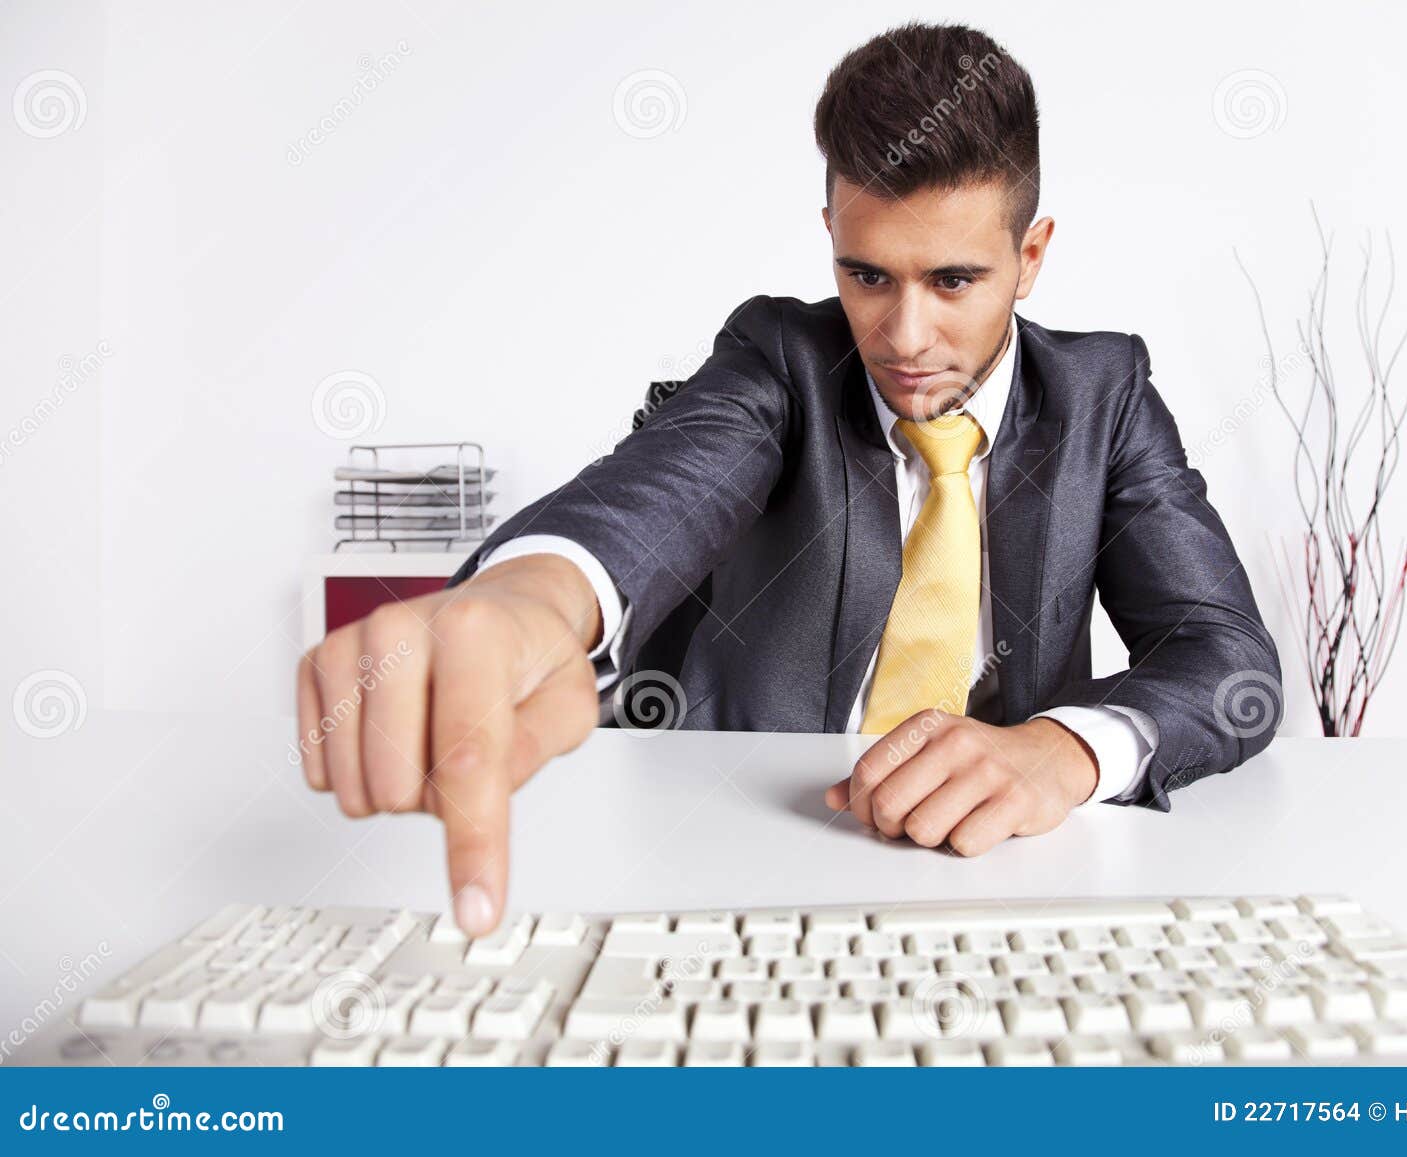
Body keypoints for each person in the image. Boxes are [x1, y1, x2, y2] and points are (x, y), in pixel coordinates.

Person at [296, 22, 1282, 936]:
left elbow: (1223, 653)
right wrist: (529, 601)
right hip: (729, 873)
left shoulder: (1102, 394)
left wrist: (1064, 749)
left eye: (951, 281)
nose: (903, 338)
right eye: (866, 275)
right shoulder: (780, 359)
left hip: (1001, 886)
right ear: (830, 237)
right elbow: (655, 492)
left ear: (1029, 256)